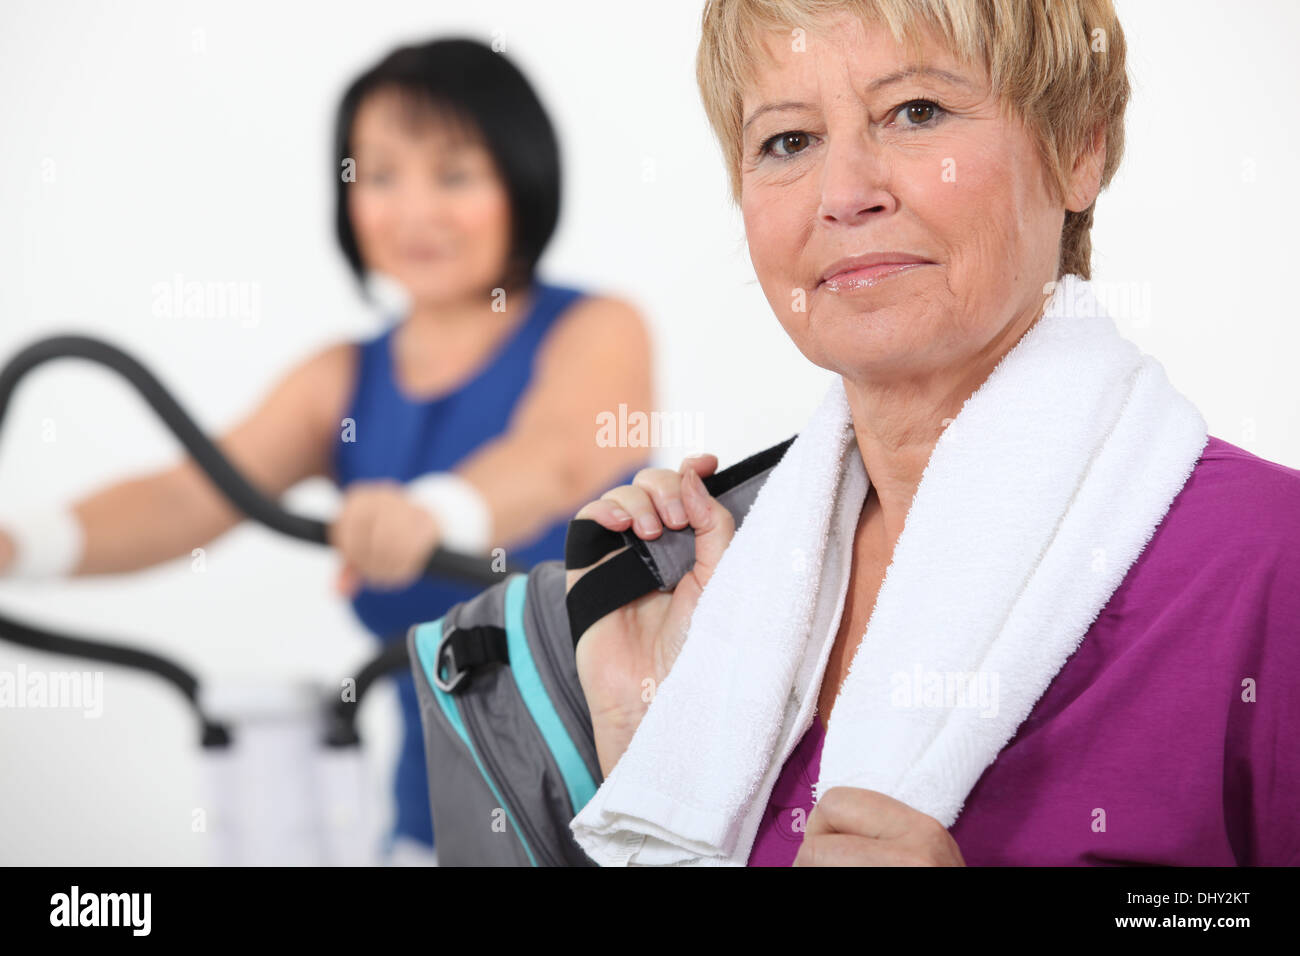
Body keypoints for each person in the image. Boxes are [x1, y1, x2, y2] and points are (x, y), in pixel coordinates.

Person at [564, 0, 1299, 866]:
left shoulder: (1267, 558)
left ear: (1077, 151)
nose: (844, 195)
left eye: (917, 113)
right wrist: (644, 737)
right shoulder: (733, 596)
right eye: (788, 141)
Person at [0, 37, 654, 865]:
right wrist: (19, 544)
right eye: (379, 175)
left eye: (453, 174)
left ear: (520, 178)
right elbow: (186, 499)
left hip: (638, 816)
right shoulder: (339, 380)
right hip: (438, 828)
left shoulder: (597, 329)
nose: (414, 211)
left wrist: (433, 515)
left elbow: (559, 456)